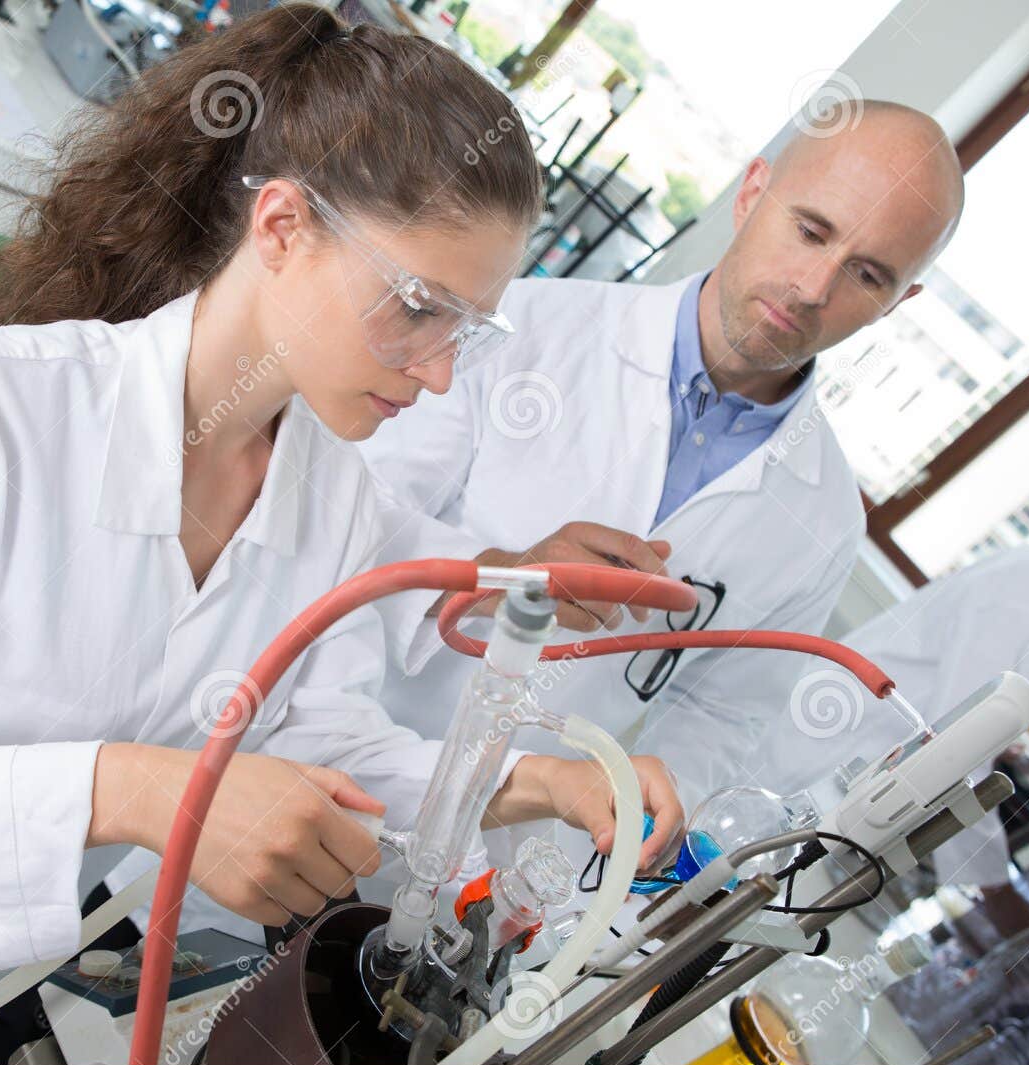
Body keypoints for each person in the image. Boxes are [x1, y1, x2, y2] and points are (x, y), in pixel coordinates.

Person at [0, 7, 680, 1065]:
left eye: (467, 331)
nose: (439, 374)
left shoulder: (327, 494)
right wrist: (134, 790)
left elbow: (312, 736)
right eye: (414, 306)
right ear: (283, 227)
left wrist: (543, 778)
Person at [361, 101, 967, 886]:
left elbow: (728, 710)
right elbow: (354, 514)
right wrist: (499, 571)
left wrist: (659, 788)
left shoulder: (822, 518)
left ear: (900, 302)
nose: (815, 287)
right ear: (753, 192)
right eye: (812, 230)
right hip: (342, 743)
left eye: (869, 274)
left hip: (491, 864)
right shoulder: (531, 329)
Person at [759, 544, 1029, 906]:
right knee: (727, 879)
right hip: (815, 763)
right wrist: (993, 885)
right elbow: (954, 744)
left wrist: (1002, 744)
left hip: (826, 749)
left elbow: (961, 697)